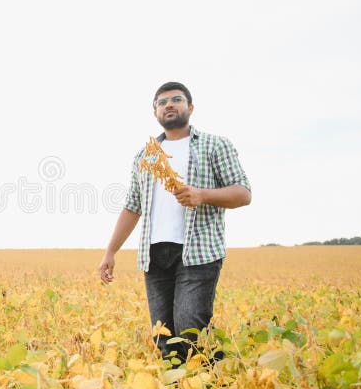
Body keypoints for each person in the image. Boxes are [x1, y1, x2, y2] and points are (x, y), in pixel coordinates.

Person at [98, 81, 251, 368]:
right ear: (155, 113)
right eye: (161, 102)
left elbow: (243, 193)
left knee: (191, 331)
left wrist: (202, 195)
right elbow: (133, 206)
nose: (168, 104)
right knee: (164, 338)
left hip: (198, 253)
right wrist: (110, 251)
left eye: (176, 99)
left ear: (190, 108)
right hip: (154, 256)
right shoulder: (146, 156)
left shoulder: (214, 145)